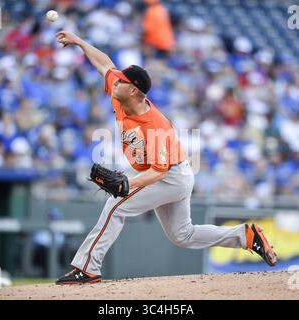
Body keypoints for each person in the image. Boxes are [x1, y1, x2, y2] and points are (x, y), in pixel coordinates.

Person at [55, 31, 277, 284]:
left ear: (135, 91)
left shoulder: (155, 125)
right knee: (182, 234)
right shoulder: (121, 95)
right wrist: (81, 42)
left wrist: (128, 183)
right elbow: (105, 64)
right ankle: (246, 236)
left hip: (170, 176)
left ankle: (87, 267)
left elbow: (159, 171)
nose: (116, 82)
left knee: (115, 206)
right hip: (171, 173)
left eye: (123, 81)